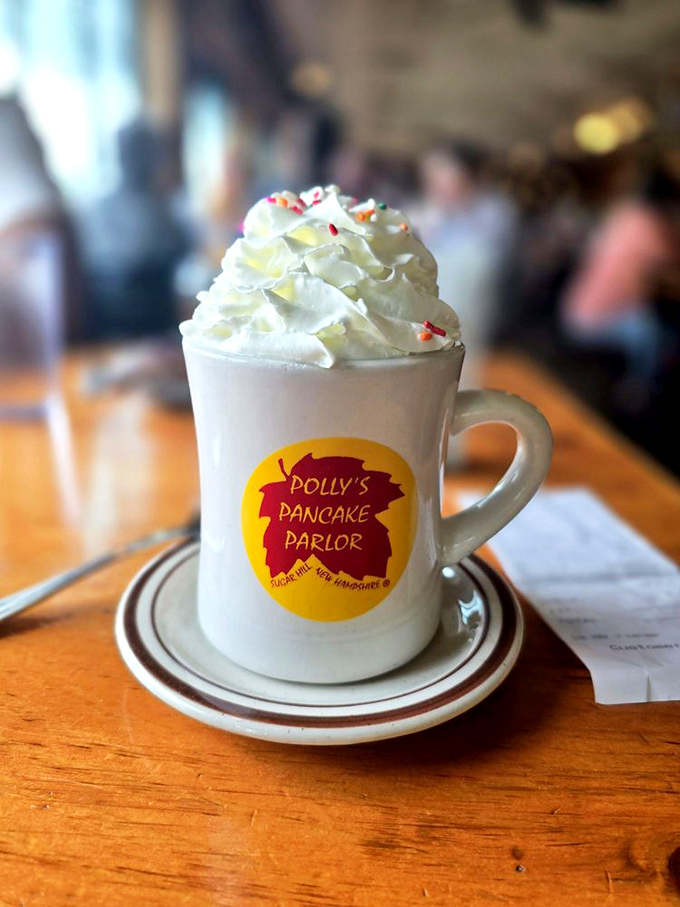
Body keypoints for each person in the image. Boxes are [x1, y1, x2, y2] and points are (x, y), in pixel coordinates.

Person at [561, 163, 680, 396]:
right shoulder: (651, 226)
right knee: (653, 333)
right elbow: (672, 262)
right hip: (594, 320)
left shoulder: (624, 214)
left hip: (574, 307)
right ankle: (639, 391)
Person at [409, 141, 517, 391]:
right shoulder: (419, 213)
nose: (438, 182)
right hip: (428, 315)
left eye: (445, 172)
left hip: (478, 314)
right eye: (432, 174)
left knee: (471, 375)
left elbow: (495, 266)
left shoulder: (496, 212)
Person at [78, 119, 190, 339]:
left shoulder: (168, 208)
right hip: (110, 325)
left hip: (160, 324)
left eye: (143, 151)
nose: (136, 159)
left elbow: (184, 249)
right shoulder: (98, 209)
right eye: (130, 150)